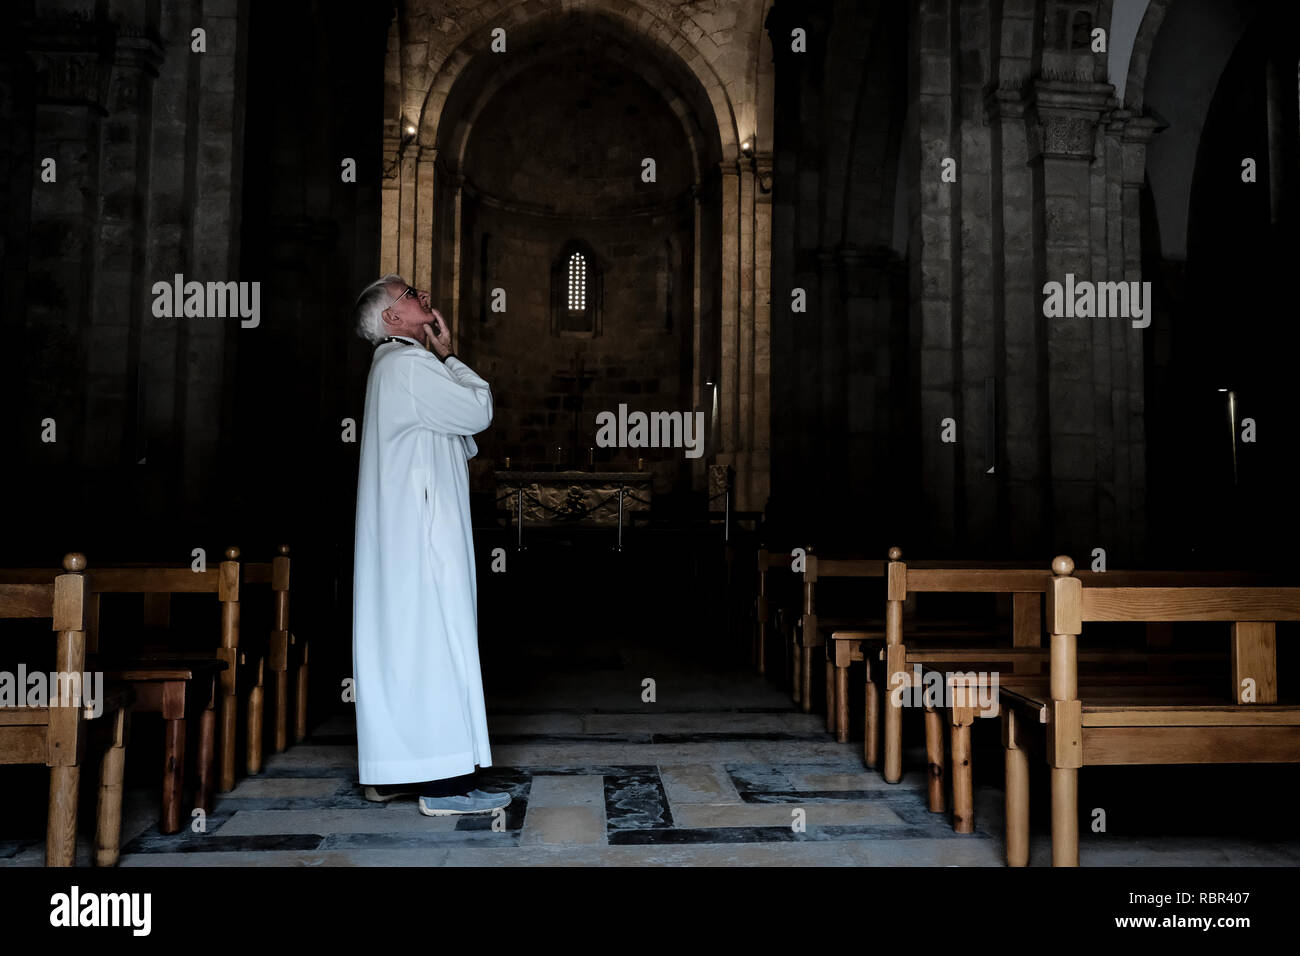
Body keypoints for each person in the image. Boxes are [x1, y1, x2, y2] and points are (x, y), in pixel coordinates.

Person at [350, 274, 509, 816]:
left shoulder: (389, 368)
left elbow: (454, 436)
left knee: (404, 652)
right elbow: (479, 411)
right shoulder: (411, 365)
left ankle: (391, 772)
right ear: (393, 319)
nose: (423, 295)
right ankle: (444, 786)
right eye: (411, 294)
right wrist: (450, 353)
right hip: (424, 540)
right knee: (434, 645)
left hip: (405, 538)